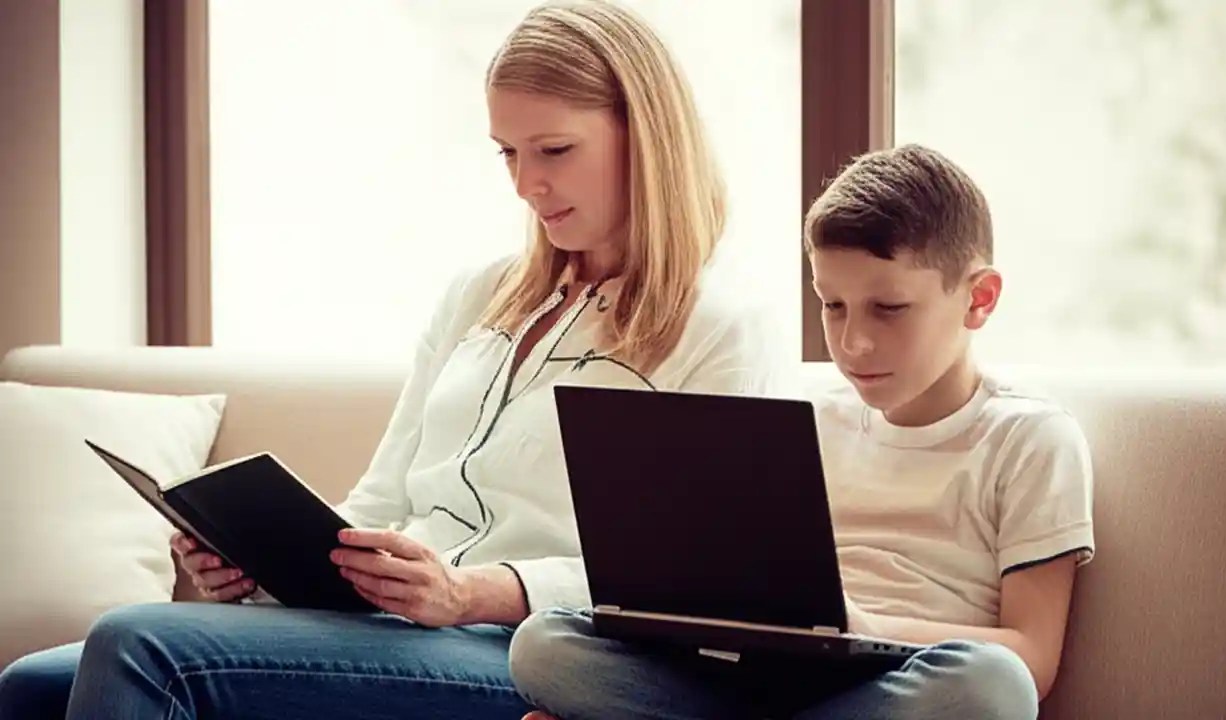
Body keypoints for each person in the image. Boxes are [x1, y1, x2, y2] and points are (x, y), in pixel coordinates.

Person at [0, 2, 783, 717]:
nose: (528, 184)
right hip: (388, 629)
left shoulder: (719, 326)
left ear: (644, 134)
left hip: (525, 652)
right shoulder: (483, 296)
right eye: (507, 152)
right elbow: (378, 502)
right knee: (31, 684)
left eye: (555, 149)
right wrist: (262, 571)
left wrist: (469, 591)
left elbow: (691, 589)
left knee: (137, 641)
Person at [508, 144, 1096, 720]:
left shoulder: (1031, 440)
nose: (853, 342)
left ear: (979, 298)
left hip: (898, 680)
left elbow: (1032, 656)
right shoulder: (805, 413)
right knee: (543, 642)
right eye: (832, 305)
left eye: (888, 308)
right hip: (757, 678)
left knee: (993, 688)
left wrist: (865, 626)